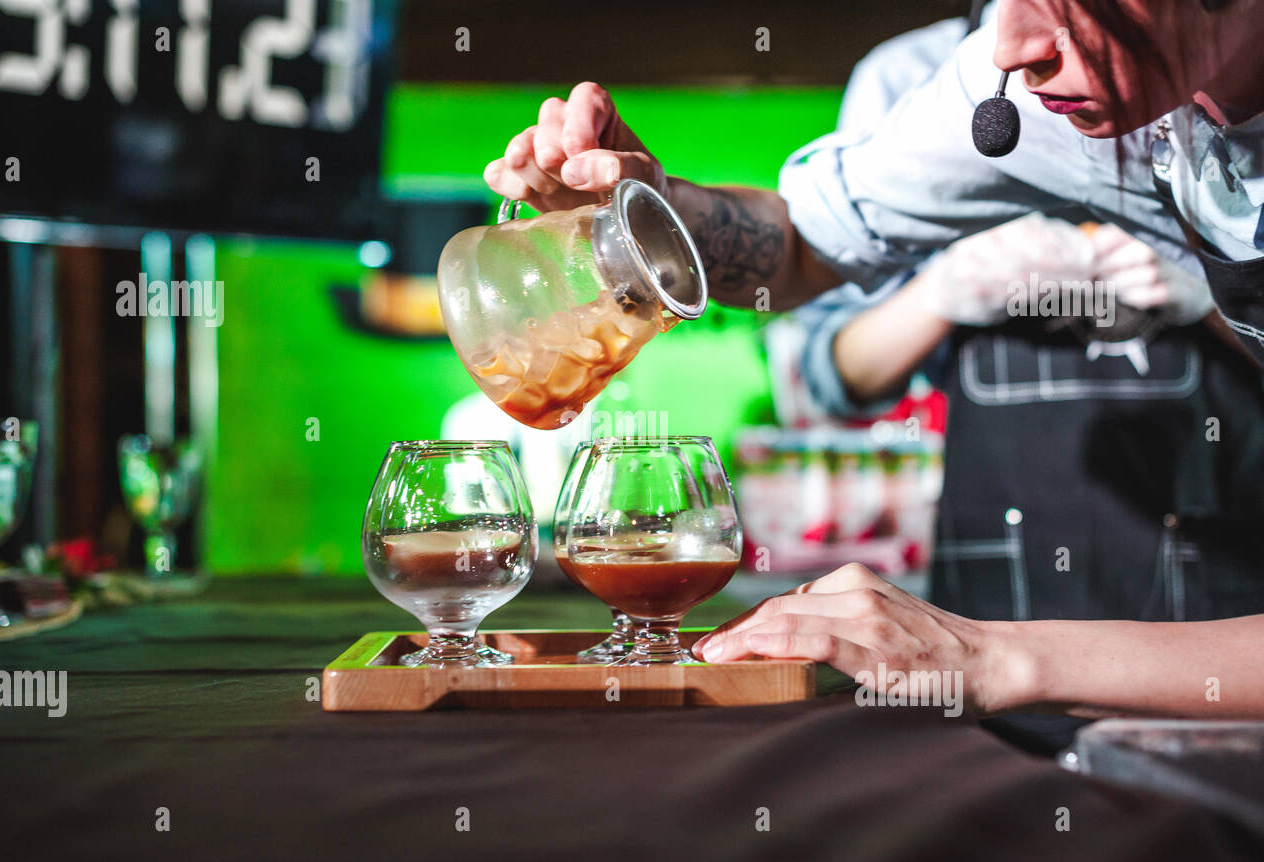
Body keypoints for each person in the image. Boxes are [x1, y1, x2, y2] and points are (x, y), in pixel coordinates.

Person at [484, 0, 1264, 718]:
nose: (1013, 44)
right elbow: (798, 245)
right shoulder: (1029, 99)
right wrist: (643, 203)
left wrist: (998, 658)